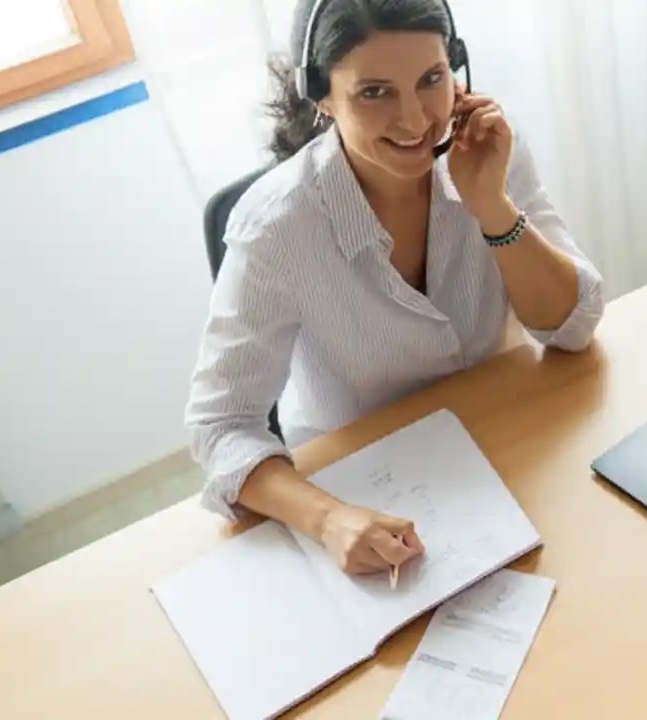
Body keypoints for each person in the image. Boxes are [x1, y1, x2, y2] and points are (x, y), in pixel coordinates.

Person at [185, 0, 604, 577]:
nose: (415, 120)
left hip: (501, 442)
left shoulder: (487, 152)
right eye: (374, 92)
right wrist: (329, 519)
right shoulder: (276, 229)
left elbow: (572, 326)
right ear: (323, 97)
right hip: (368, 490)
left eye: (432, 80)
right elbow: (220, 426)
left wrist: (491, 206)